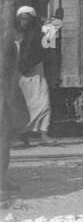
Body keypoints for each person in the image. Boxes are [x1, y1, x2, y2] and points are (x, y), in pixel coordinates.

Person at [14, 7, 54, 146]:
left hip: (36, 71)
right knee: (22, 105)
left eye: (26, 18)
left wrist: (50, 25)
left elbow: (48, 47)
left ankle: (44, 134)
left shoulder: (40, 33)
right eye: (21, 18)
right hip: (19, 73)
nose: (23, 21)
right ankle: (22, 137)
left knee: (43, 102)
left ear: (32, 19)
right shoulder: (14, 34)